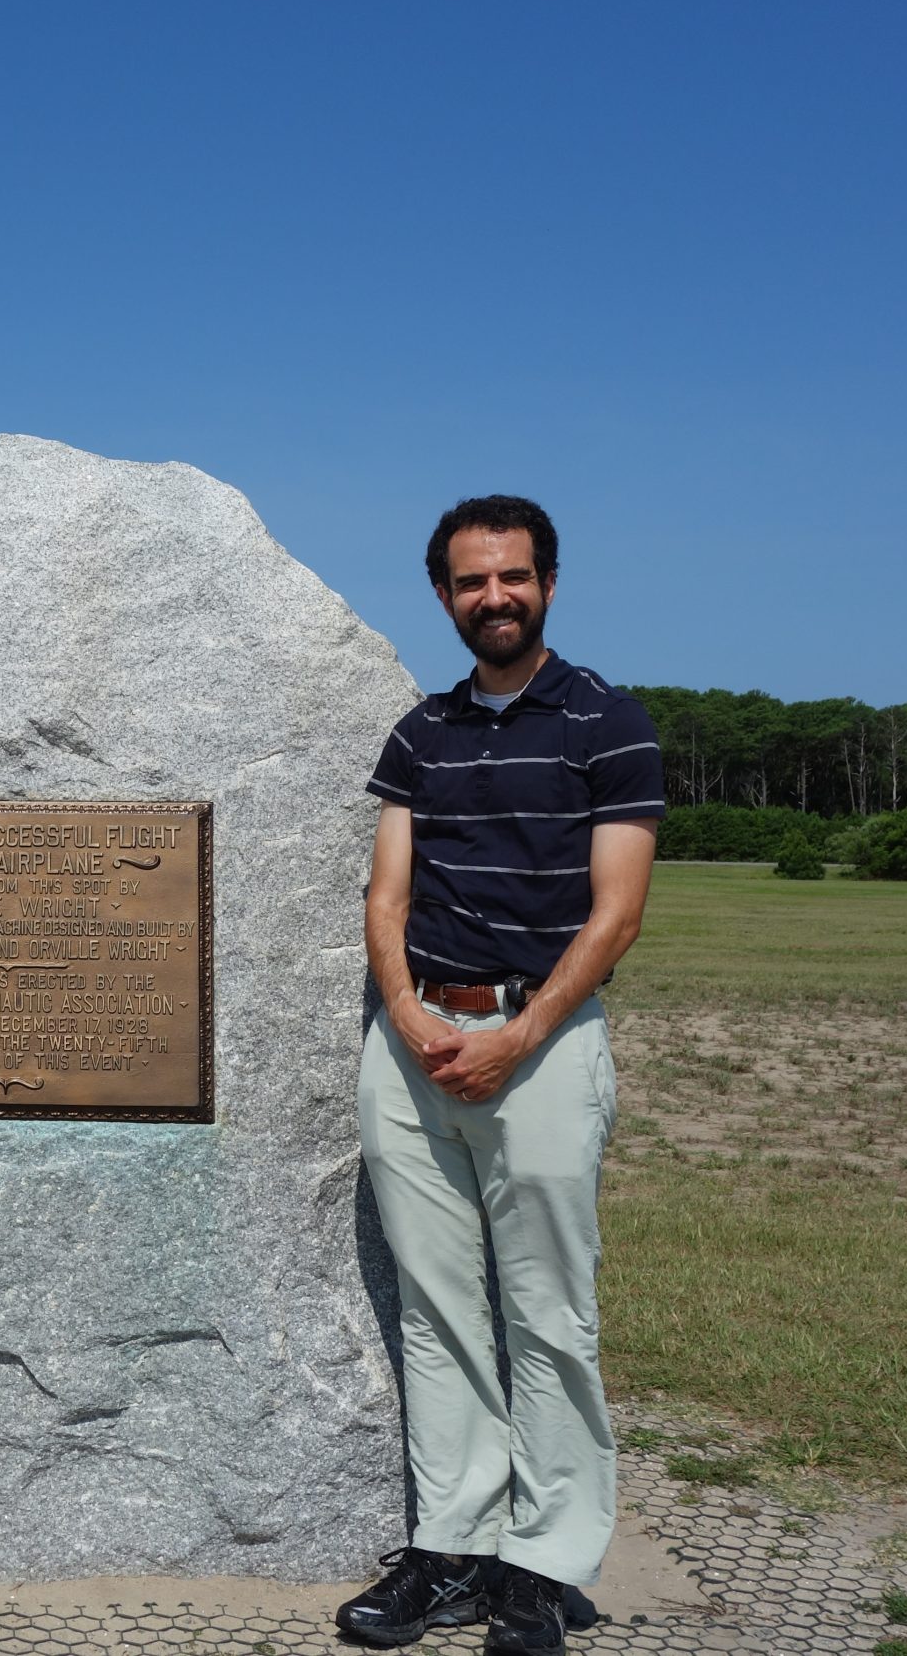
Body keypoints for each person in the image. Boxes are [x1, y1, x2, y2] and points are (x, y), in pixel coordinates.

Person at [336, 497, 663, 1655]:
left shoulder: (606, 724)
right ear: (443, 596)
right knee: (435, 1309)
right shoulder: (419, 731)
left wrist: (517, 1039)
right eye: (472, 583)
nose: (495, 599)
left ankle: (546, 1559)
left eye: (513, 578)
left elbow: (616, 910)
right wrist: (414, 1018)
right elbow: (387, 895)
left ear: (549, 584)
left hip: (543, 1045)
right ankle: (455, 1547)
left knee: (547, 1313)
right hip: (418, 1045)